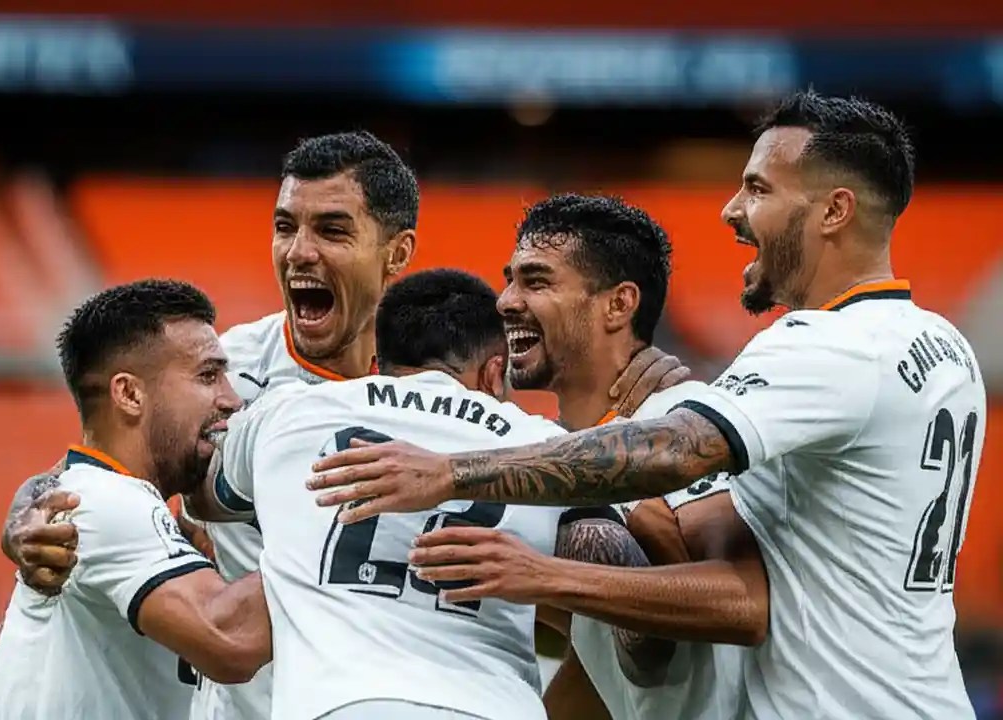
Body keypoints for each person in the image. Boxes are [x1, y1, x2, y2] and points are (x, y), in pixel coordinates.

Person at [310, 91, 986, 719]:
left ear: (834, 211)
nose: (731, 209)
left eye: (758, 189)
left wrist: (464, 483)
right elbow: (610, 670)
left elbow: (685, 471)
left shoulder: (820, 350)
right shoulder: (940, 345)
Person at [0, 132, 686, 719]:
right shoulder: (230, 373)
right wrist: (29, 509)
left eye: (331, 230)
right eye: (284, 226)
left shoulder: (463, 412)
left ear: (396, 253)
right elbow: (106, 466)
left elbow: (573, 611)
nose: (298, 252)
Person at [190, 268, 668, 719]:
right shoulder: (544, 447)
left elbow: (205, 496)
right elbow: (617, 572)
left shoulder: (289, 412)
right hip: (492, 707)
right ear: (493, 373)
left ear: (378, 364)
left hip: (341, 703)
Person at [497, 193, 759, 720]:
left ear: (618, 304)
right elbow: (599, 665)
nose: (506, 300)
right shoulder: (558, 442)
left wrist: (550, 574)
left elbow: (742, 602)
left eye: (537, 280)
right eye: (511, 278)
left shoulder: (681, 424)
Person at [0, 279, 270, 720]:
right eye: (208, 375)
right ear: (130, 394)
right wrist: (331, 538)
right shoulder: (103, 503)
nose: (231, 399)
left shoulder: (96, 495)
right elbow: (228, 637)